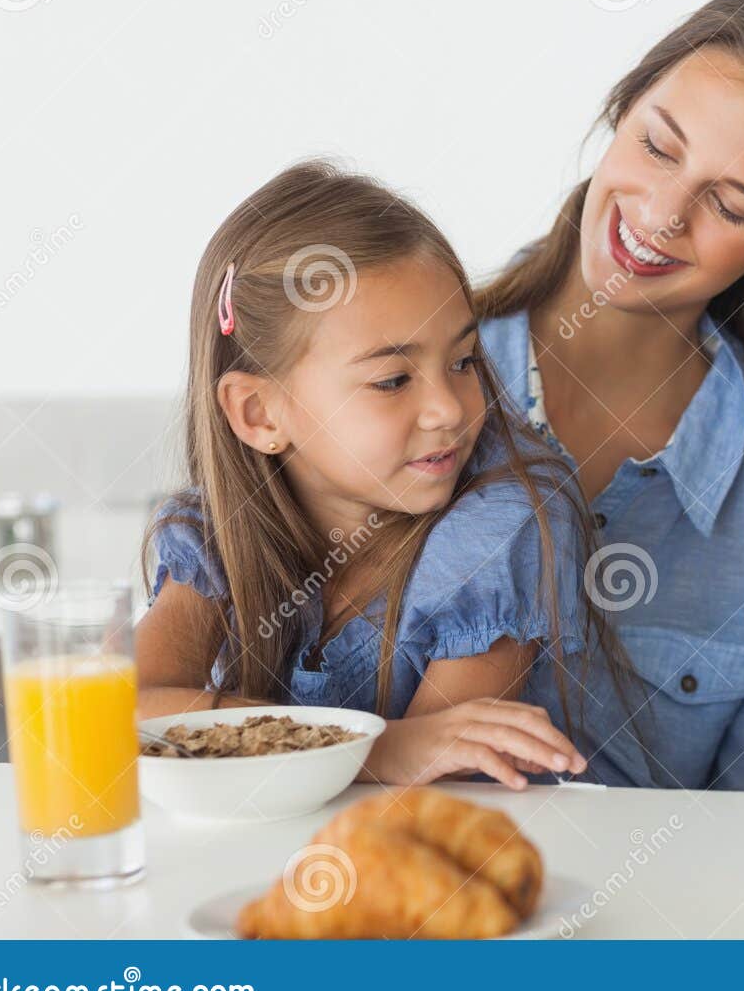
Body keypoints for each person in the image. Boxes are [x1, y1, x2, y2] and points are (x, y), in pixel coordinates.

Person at [474, 0, 744, 789]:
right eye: (658, 146)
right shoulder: (385, 385)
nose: (664, 213)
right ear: (622, 106)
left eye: (730, 205)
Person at [136, 160, 617, 788]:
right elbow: (123, 715)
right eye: (392, 380)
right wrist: (378, 749)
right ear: (259, 414)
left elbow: (445, 779)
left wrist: (240, 737)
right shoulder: (214, 535)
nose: (449, 410)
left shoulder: (505, 522)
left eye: (466, 360)